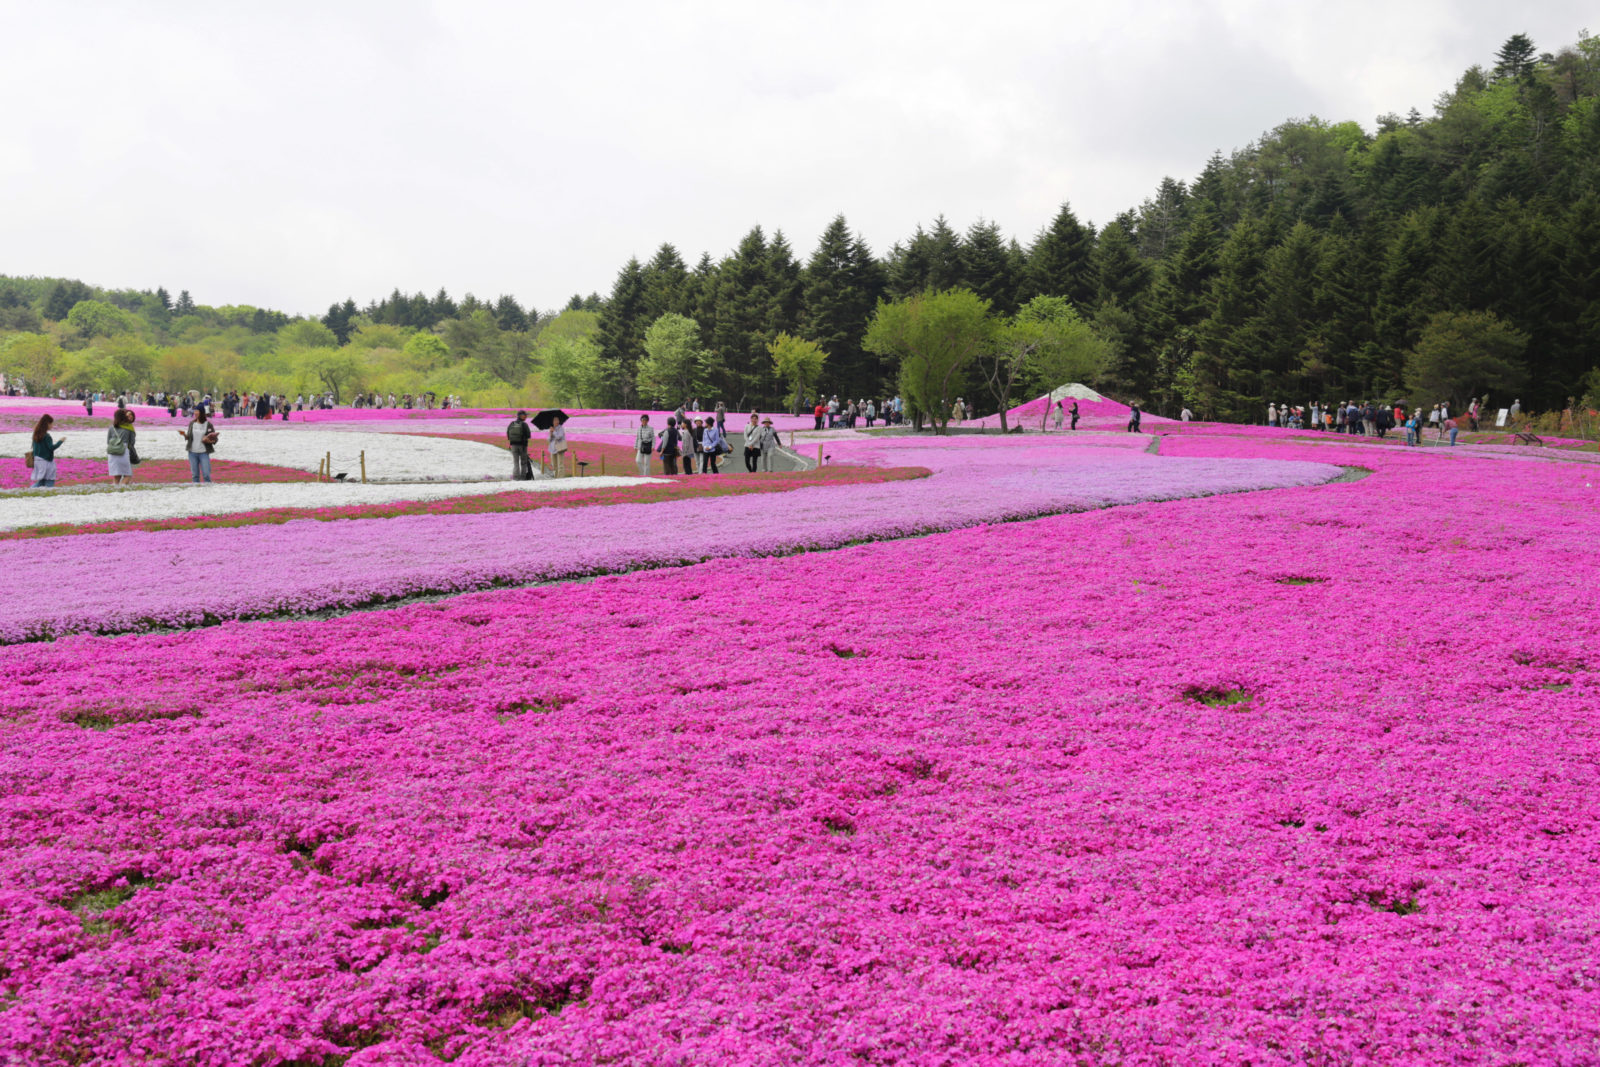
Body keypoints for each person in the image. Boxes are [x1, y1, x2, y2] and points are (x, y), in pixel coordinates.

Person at [179, 407, 217, 482]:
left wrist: (208, 440)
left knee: (206, 475)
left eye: (197, 411)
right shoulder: (192, 423)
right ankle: (196, 492)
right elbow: (189, 437)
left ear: (202, 413)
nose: (195, 413)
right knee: (195, 475)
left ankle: (207, 490)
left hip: (204, 452)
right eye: (195, 411)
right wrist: (184, 435)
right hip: (192, 452)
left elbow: (214, 439)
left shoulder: (208, 424)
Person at [30, 415, 66, 488]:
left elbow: (34, 447)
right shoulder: (46, 436)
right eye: (51, 423)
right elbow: (51, 448)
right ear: (47, 424)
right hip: (46, 461)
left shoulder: (36, 434)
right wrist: (60, 441)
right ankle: (33, 490)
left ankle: (30, 490)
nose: (52, 426)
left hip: (38, 460)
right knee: (50, 481)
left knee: (41, 481)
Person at [107, 409, 135, 485]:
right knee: (127, 475)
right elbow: (131, 443)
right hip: (123, 452)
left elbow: (108, 441)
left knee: (117, 476)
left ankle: (114, 491)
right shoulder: (129, 427)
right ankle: (121, 490)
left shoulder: (111, 427)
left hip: (112, 453)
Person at [506, 410, 533, 480]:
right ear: (521, 416)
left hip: (513, 446)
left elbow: (508, 434)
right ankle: (523, 478)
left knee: (516, 462)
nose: (526, 416)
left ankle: (515, 477)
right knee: (523, 462)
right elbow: (528, 435)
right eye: (525, 415)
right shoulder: (524, 424)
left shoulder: (512, 423)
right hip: (522, 446)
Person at [548, 413, 568, 478]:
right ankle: (556, 477)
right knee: (554, 465)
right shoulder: (551, 428)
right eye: (555, 420)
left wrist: (554, 431)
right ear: (552, 421)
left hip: (559, 448)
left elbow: (559, 437)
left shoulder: (561, 428)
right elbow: (549, 440)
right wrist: (551, 433)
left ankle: (560, 478)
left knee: (560, 464)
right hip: (552, 449)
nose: (556, 421)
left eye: (557, 420)